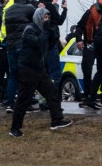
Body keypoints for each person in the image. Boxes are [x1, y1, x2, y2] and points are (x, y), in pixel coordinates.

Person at [8, 8, 73, 137]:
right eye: (45, 17)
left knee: (52, 91)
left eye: (48, 18)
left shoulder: (42, 30)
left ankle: (57, 120)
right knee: (23, 99)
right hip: (28, 69)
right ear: (38, 17)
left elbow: (49, 45)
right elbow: (39, 43)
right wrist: (46, 31)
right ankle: (15, 128)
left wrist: (52, 31)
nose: (47, 20)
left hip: (39, 68)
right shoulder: (29, 30)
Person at [0, 0, 35, 112]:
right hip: (23, 46)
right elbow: (36, 22)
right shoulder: (29, 8)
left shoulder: (8, 10)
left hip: (10, 47)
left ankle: (10, 104)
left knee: (13, 76)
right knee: (26, 76)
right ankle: (26, 104)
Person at [38, 0, 68, 87]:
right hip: (51, 43)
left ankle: (44, 99)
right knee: (55, 74)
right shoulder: (49, 6)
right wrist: (65, 9)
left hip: (40, 44)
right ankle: (54, 98)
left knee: (43, 73)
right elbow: (59, 21)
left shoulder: (37, 5)